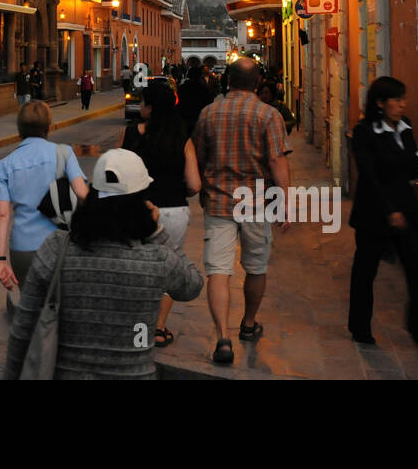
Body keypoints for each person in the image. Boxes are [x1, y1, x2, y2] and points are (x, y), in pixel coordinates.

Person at [4, 149, 203, 379]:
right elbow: (193, 285)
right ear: (141, 200)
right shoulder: (157, 257)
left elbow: (23, 329)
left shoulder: (57, 248)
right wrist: (158, 232)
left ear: (93, 195)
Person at [191, 57, 290, 365]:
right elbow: (276, 161)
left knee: (218, 271)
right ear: (258, 81)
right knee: (256, 266)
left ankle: (223, 337)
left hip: (219, 203)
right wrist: (285, 201)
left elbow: (200, 155)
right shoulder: (268, 114)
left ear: (228, 80)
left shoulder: (208, 113)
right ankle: (248, 323)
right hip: (256, 203)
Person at [348, 76, 418, 348]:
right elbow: (370, 175)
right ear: (380, 103)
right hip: (374, 211)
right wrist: (390, 210)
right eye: (397, 99)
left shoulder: (405, 126)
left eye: (403, 98)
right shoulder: (364, 132)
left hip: (405, 208)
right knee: (366, 270)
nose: (403, 104)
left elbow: (408, 163)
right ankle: (360, 328)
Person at [120, 80, 201, 347]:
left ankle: (135, 326)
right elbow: (195, 184)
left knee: (135, 267)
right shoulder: (182, 136)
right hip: (174, 210)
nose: (140, 107)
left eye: (143, 102)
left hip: (136, 210)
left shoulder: (132, 134)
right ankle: (157, 328)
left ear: (150, 107)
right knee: (168, 267)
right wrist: (179, 192)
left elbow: (118, 174)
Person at [0, 100, 89, 313]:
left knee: (33, 309)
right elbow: (83, 193)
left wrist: (0, 260)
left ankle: (35, 342)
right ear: (48, 127)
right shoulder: (63, 153)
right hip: (60, 245)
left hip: (22, 249)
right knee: (62, 308)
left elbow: (2, 215)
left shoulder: (5, 165)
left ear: (19, 129)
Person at [176, 61, 212, 136]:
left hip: (184, 118)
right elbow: (209, 103)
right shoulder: (203, 88)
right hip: (198, 118)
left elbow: (177, 101)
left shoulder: (182, 87)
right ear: (199, 76)